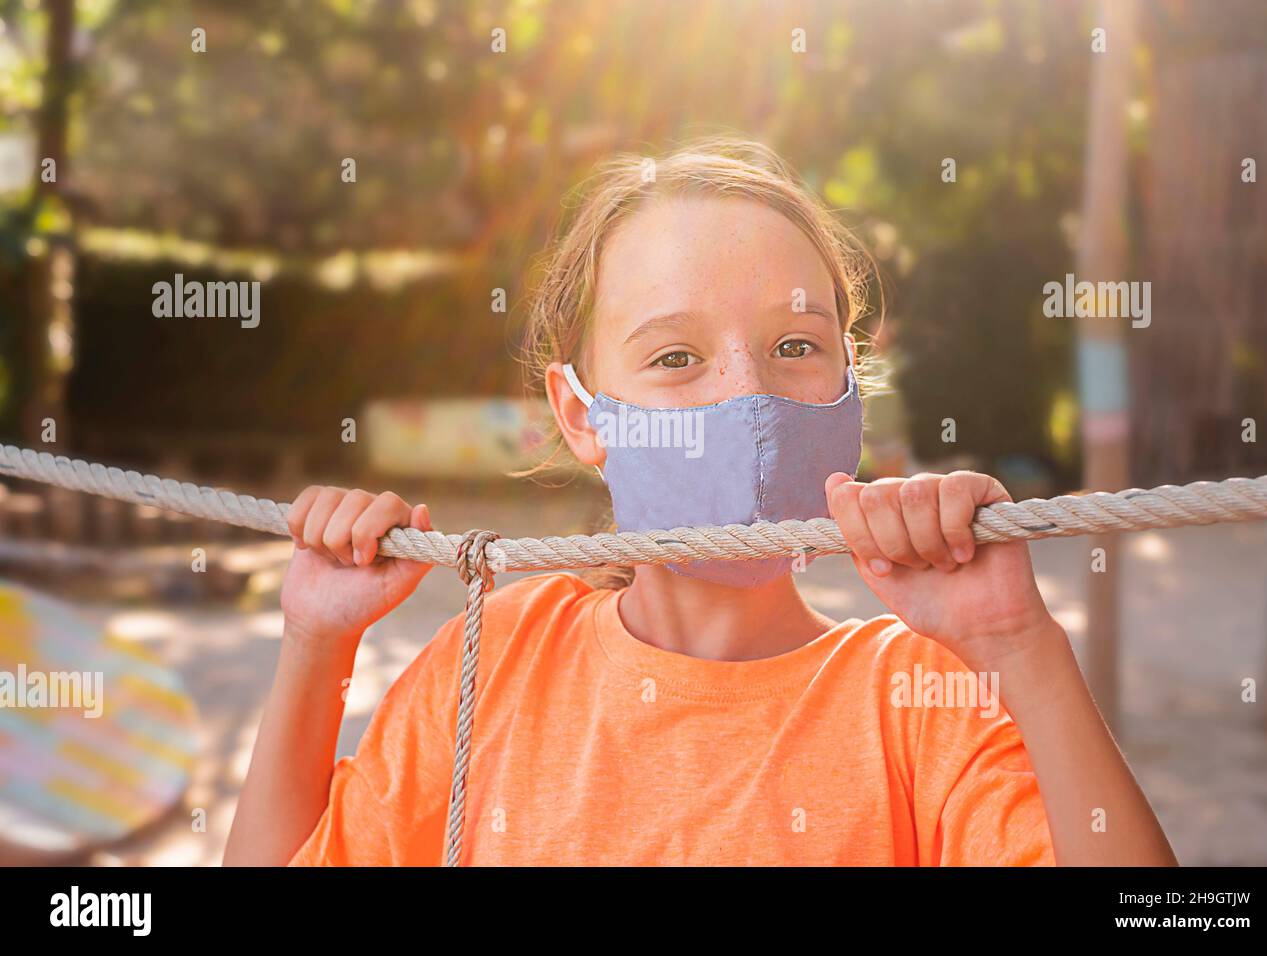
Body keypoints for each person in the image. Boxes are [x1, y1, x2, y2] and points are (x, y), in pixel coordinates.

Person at [225, 138, 1176, 866]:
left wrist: (1021, 649)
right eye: (676, 358)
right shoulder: (494, 659)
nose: (747, 400)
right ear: (582, 415)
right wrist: (316, 644)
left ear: (855, 384)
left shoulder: (915, 700)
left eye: (796, 346)